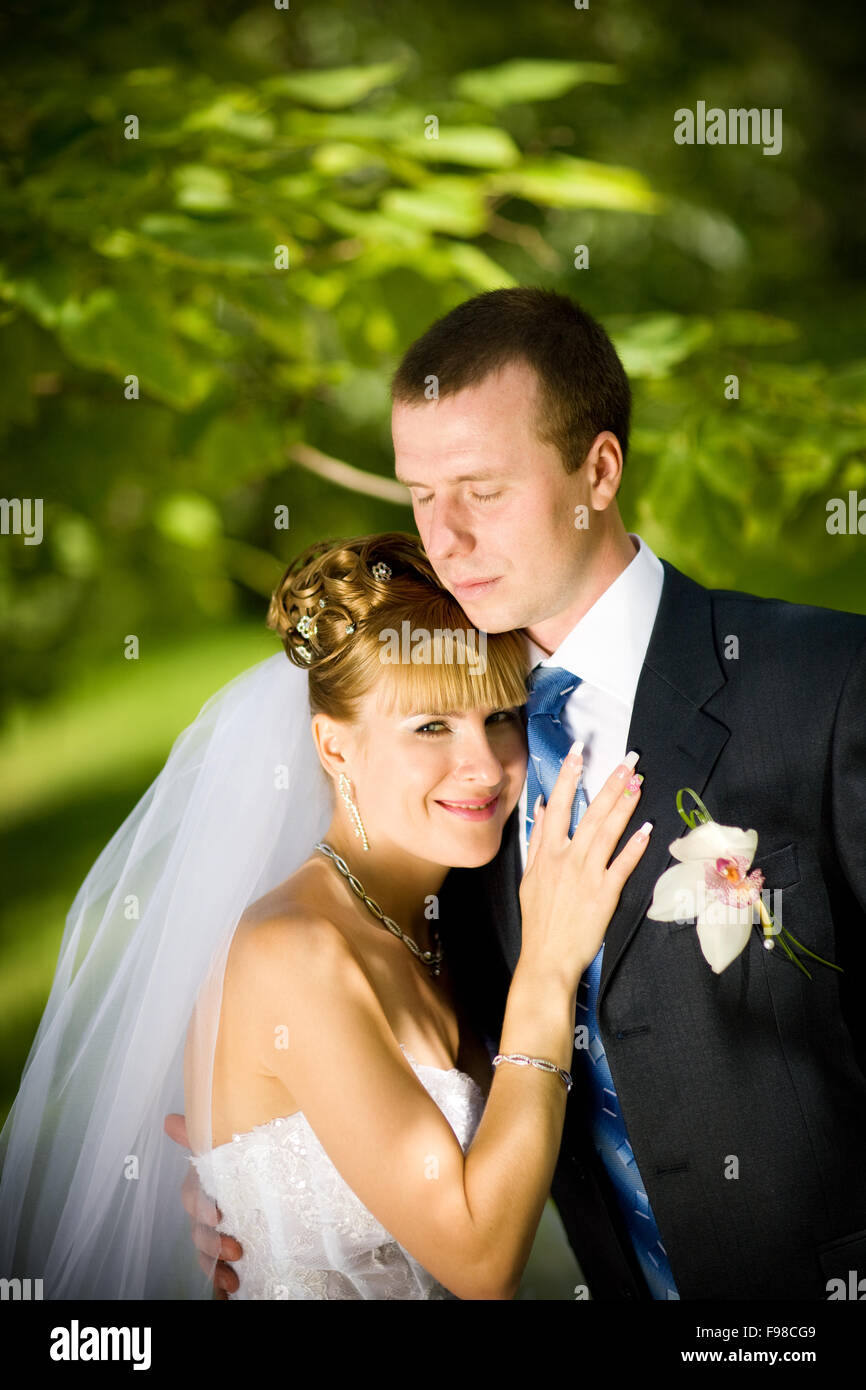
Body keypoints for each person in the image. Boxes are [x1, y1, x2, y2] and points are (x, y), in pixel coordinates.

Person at [188, 286, 866, 1301]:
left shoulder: (826, 684)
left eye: (483, 490)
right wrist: (264, 1183)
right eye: (421, 494)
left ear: (598, 469)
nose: (446, 538)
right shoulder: (447, 806)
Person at [0, 529, 651, 1299]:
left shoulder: (451, 915)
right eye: (431, 726)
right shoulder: (293, 953)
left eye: (501, 716)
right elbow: (480, 1261)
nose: (483, 765)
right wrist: (547, 969)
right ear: (334, 748)